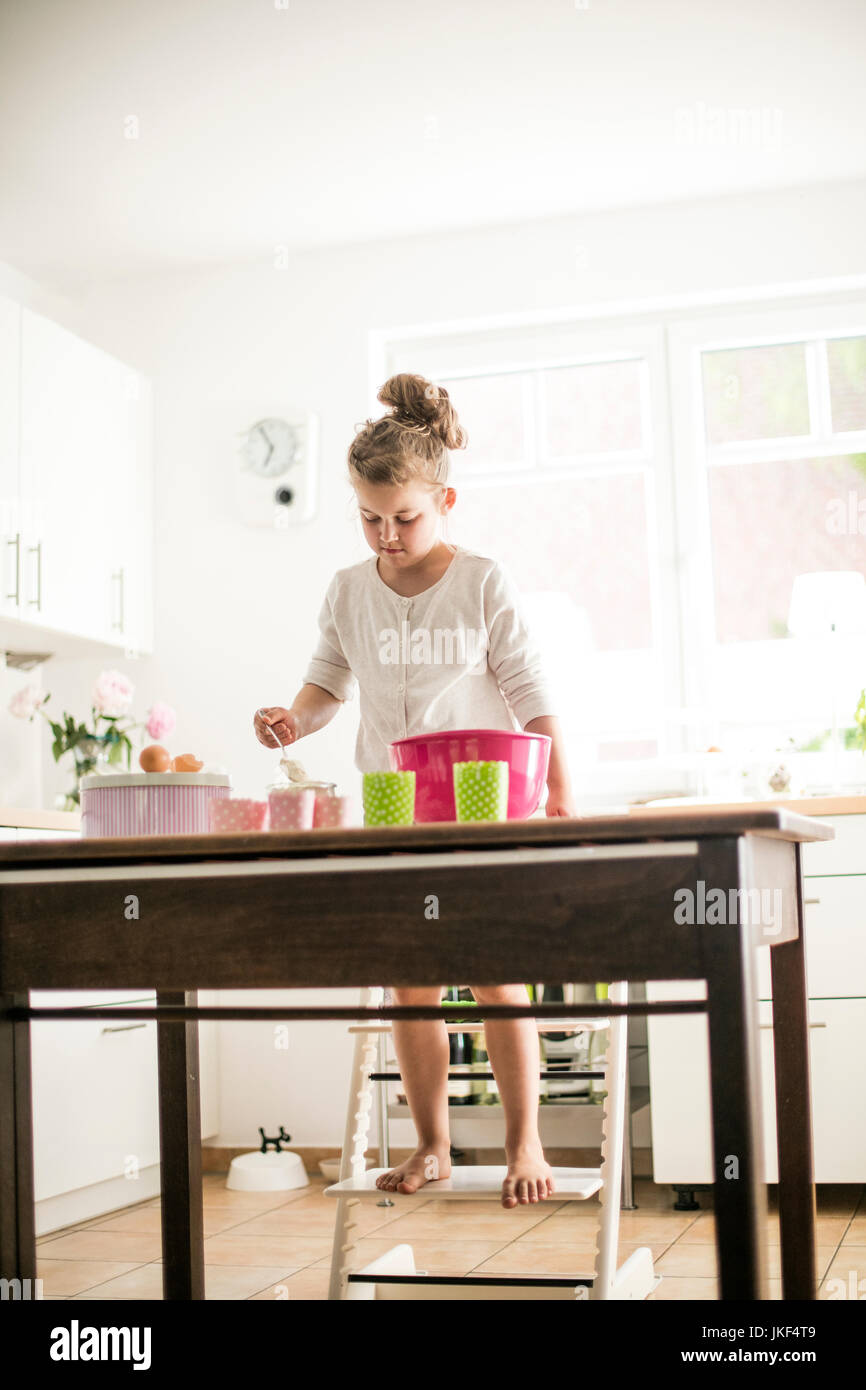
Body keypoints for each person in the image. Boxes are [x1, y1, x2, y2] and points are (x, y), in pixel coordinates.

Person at [254, 372, 576, 1207]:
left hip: (483, 808)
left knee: (499, 979)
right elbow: (327, 682)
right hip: (393, 807)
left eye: (404, 517)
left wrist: (561, 799)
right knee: (412, 983)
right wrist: (295, 717)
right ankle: (432, 1147)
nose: (386, 535)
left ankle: (523, 1142)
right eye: (369, 517)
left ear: (446, 502)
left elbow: (533, 693)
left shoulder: (482, 583)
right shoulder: (348, 589)